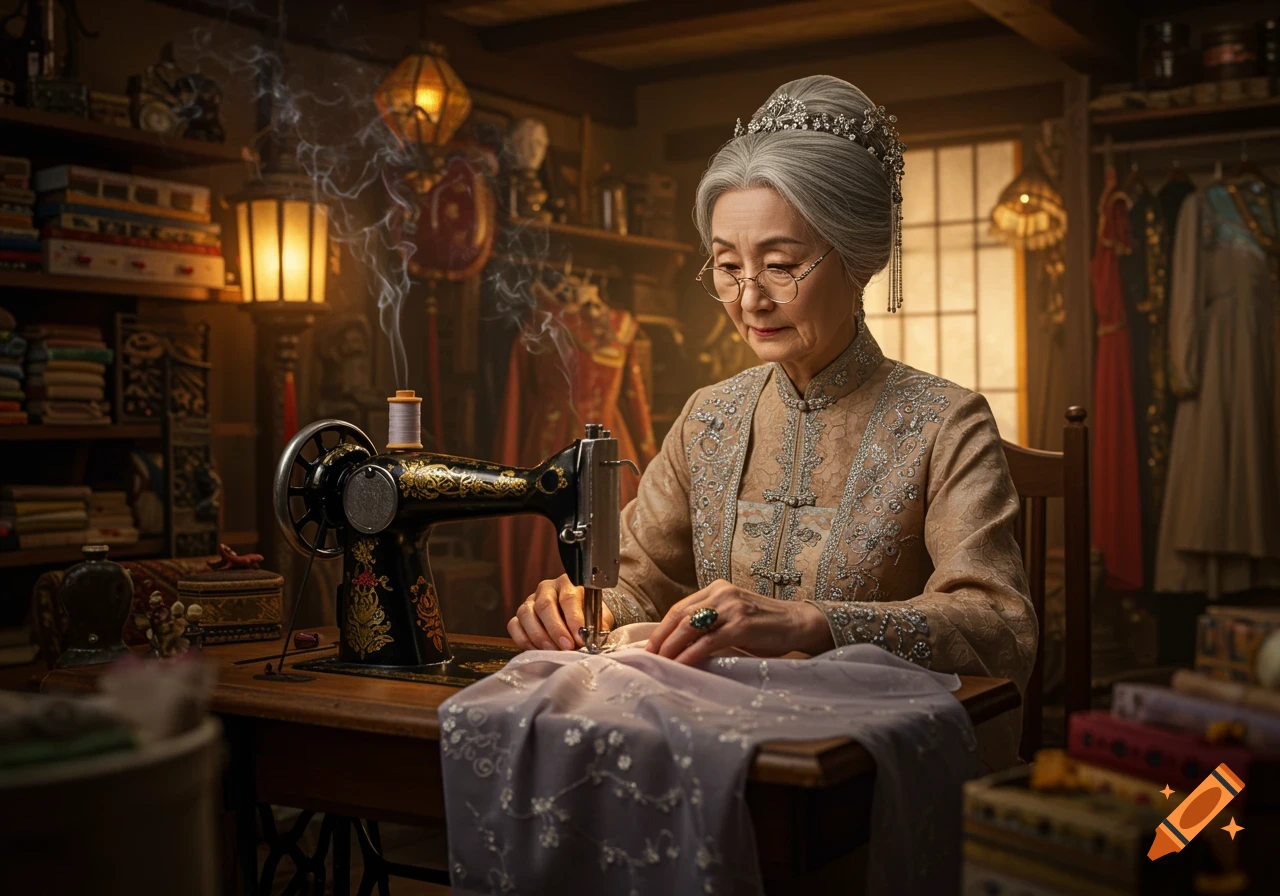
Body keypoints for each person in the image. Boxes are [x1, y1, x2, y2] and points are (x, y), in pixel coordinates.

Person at [507, 75, 1036, 765]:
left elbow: (997, 625)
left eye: (781, 265)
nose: (749, 298)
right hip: (718, 738)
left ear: (858, 259)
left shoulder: (946, 423)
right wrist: (586, 605)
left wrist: (811, 622)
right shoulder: (711, 418)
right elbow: (638, 581)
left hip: (862, 758)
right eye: (727, 266)